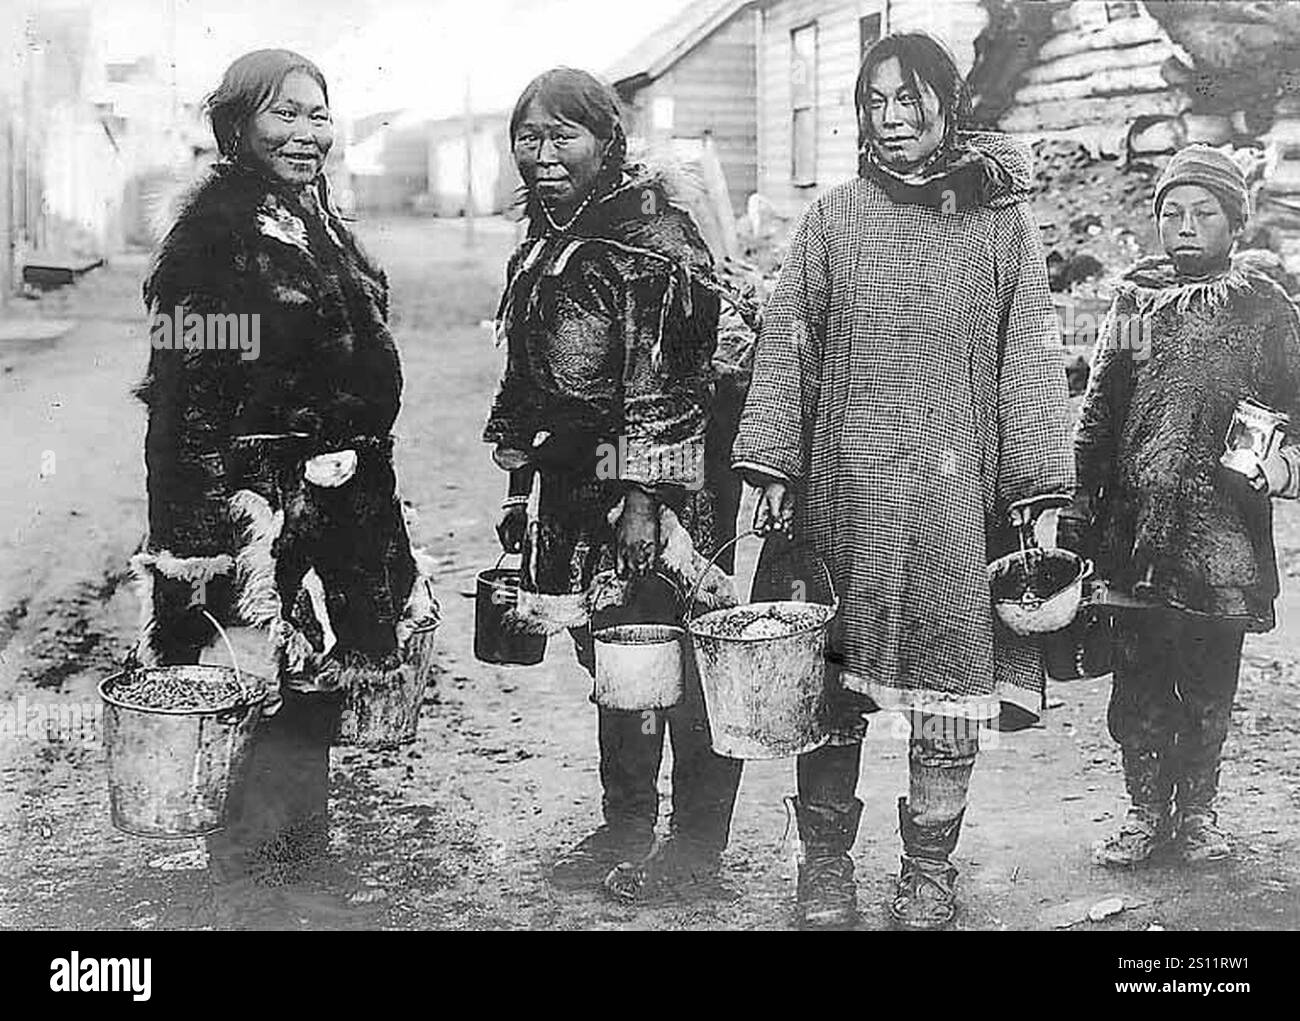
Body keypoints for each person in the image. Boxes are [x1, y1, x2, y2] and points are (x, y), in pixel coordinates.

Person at [732, 33, 1074, 930]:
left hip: (954, 511)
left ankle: (928, 864)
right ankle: (826, 864)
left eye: (910, 99)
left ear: (948, 104)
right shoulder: (834, 221)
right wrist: (771, 460)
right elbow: (788, 342)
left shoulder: (1001, 226)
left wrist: (1037, 492)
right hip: (843, 501)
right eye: (874, 102)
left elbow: (1030, 362)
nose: (891, 119)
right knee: (834, 687)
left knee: (947, 687)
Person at [134, 49, 436, 901]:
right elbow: (183, 399)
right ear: (236, 125)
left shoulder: (311, 217)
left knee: (305, 695)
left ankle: (296, 874)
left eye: (319, 114)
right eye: (285, 114)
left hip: (331, 506)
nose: (308, 134)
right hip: (254, 512)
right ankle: (253, 895)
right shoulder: (214, 238)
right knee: (252, 690)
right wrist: (200, 549)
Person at [484, 67, 742, 902]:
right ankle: (626, 819)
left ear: (607, 139)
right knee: (612, 654)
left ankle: (696, 846)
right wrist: (517, 453)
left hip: (655, 482)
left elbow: (668, 376)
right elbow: (527, 358)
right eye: (530, 134)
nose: (544, 151)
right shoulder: (552, 232)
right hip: (574, 480)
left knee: (677, 659)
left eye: (565, 134)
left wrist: (646, 494)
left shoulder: (651, 236)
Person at [1061, 145, 1300, 868]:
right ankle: (1143, 812)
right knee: (1137, 677)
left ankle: (1196, 812)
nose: (1186, 227)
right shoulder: (1135, 301)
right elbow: (1100, 411)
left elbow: (1294, 406)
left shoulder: (1265, 307)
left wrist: (1281, 465)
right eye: (1172, 213)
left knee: (1206, 678)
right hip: (1133, 534)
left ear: (1236, 222)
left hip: (1221, 535)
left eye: (1204, 213)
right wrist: (1078, 509)